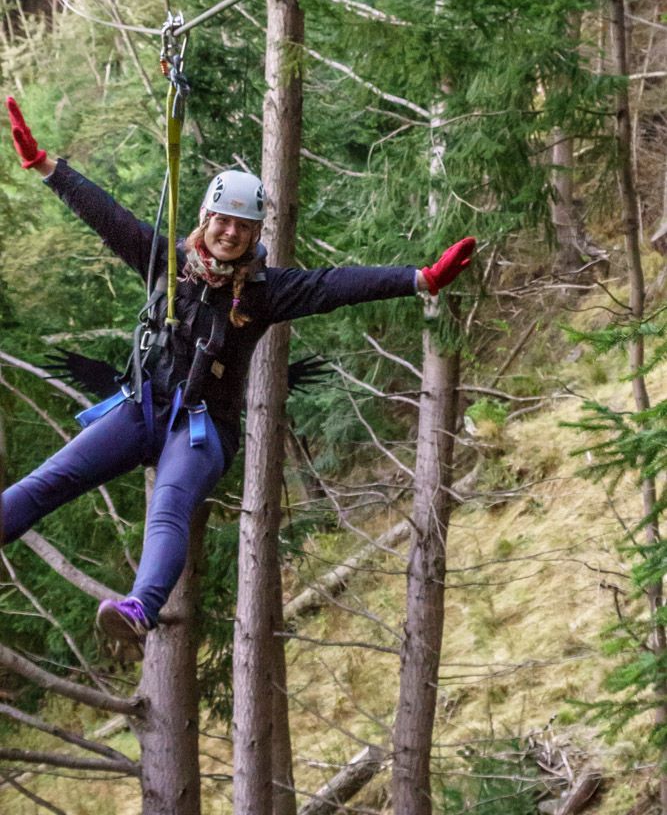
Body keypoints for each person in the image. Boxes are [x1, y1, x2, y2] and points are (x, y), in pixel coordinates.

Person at [2, 96, 476, 651]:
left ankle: (138, 609)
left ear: (254, 234)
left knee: (170, 505)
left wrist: (419, 278)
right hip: (142, 408)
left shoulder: (266, 291)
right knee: (49, 480)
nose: (230, 232)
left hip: (204, 430)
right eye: (222, 220)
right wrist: (47, 168)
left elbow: (338, 285)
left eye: (242, 226)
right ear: (206, 219)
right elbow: (108, 216)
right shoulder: (167, 263)